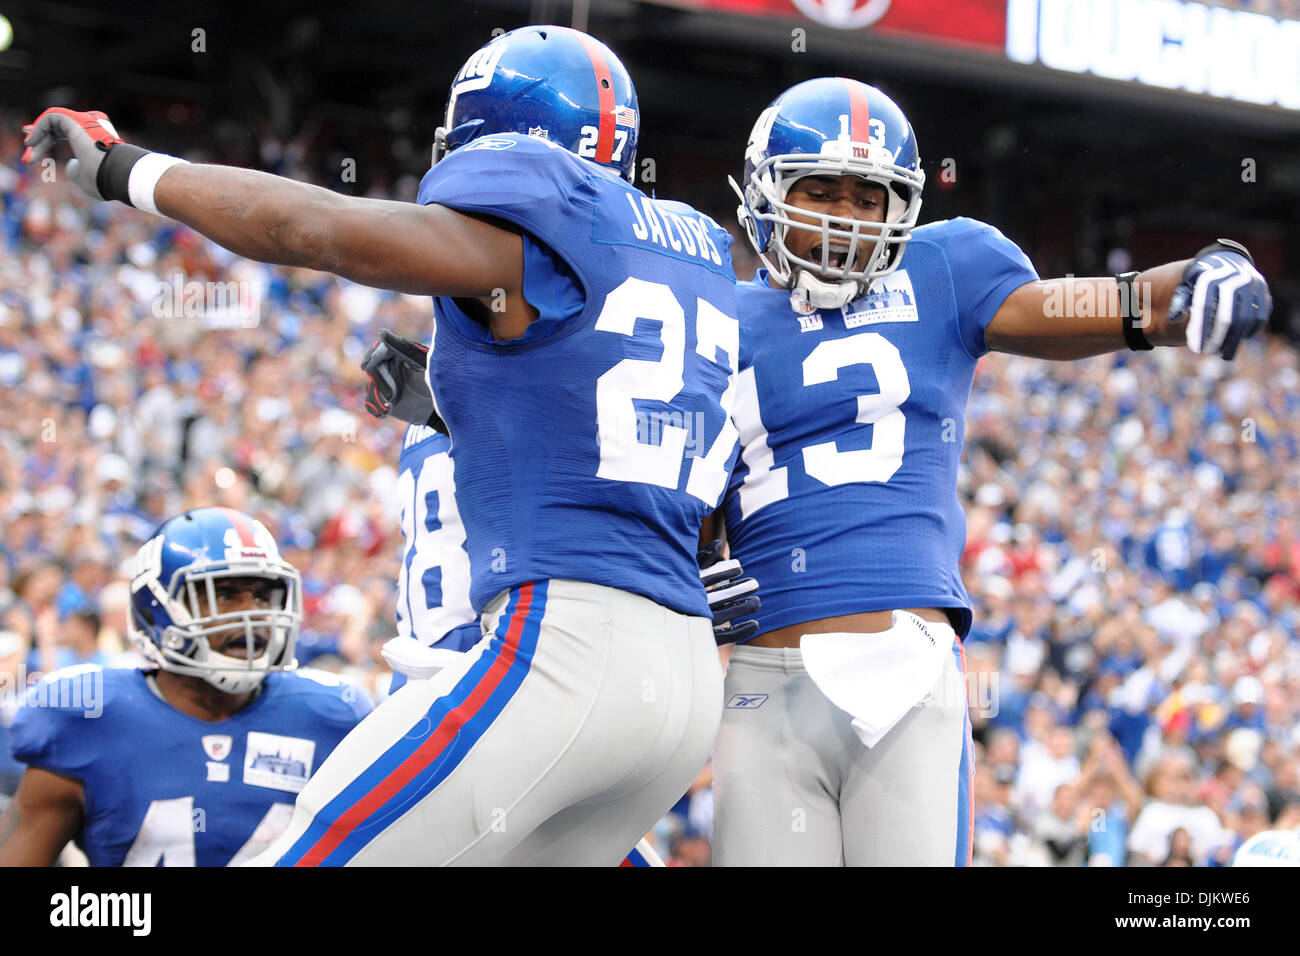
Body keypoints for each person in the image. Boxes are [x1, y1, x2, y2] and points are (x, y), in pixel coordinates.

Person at [22, 24, 744, 865]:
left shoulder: (541, 210)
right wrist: (455, 401)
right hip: (683, 682)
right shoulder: (694, 247)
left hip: (564, 648)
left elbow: (313, 228)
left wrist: (125, 169)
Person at [709, 77, 1271, 866]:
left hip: (906, 668)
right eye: (821, 191)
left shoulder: (945, 269)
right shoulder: (713, 316)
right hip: (764, 676)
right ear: (767, 193)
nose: (842, 219)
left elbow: (1098, 304)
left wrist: (1199, 279)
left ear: (901, 208)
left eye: (868, 199)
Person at [0, 507, 371, 866]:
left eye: (262, 595)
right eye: (225, 595)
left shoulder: (331, 716)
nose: (252, 614)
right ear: (156, 607)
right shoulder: (89, 716)